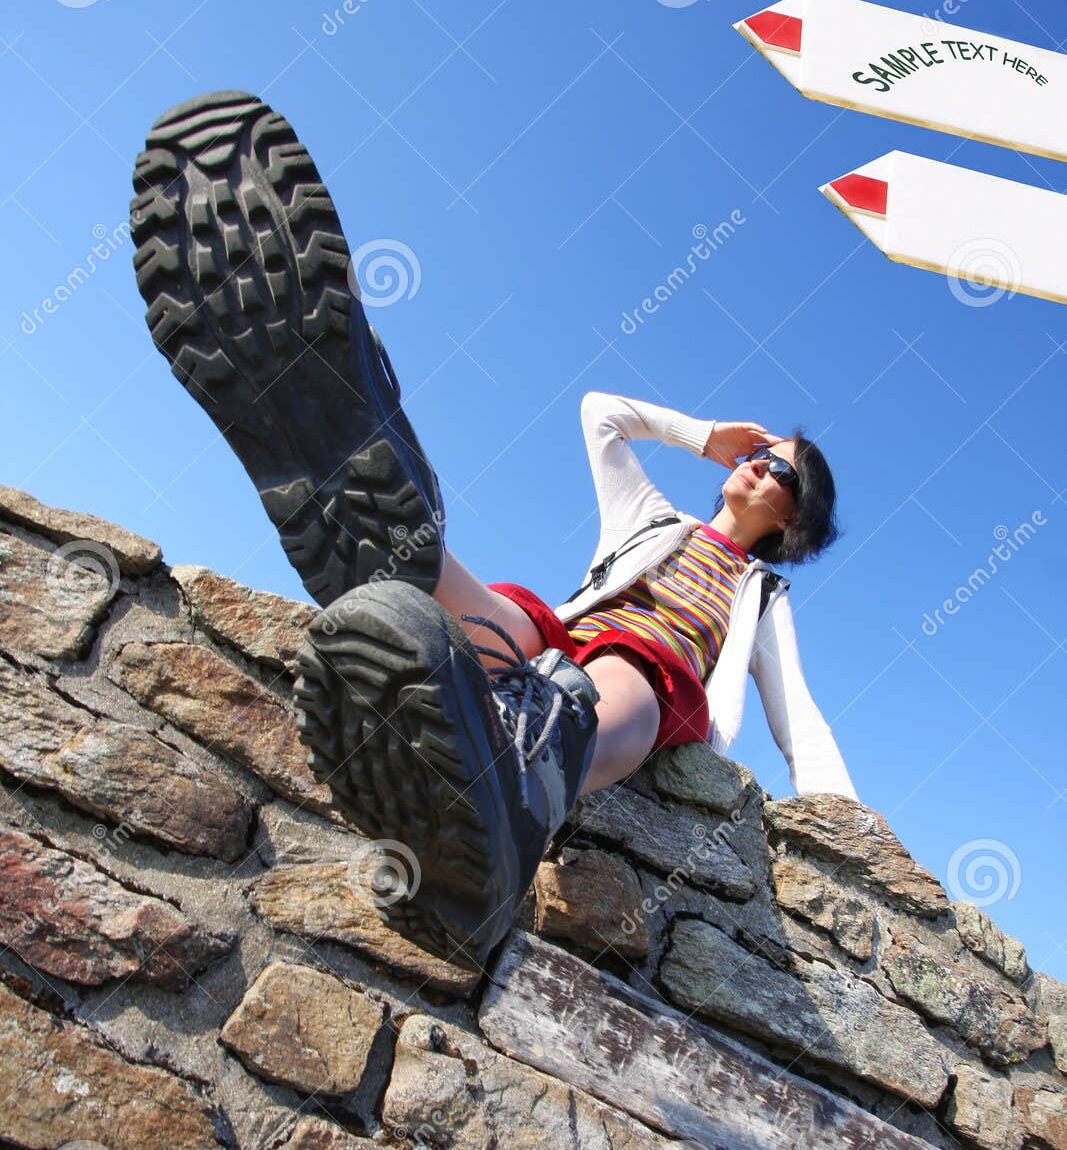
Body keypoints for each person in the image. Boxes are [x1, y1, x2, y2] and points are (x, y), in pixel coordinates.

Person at [132, 91, 856, 972]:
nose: (759, 466)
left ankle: (527, 773)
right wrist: (702, 434)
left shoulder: (760, 593)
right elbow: (600, 414)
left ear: (793, 517)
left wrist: (848, 848)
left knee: (625, 672)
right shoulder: (653, 518)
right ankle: (389, 535)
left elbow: (800, 721)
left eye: (780, 472)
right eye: (760, 454)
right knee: (495, 605)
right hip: (561, 634)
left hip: (649, 675)